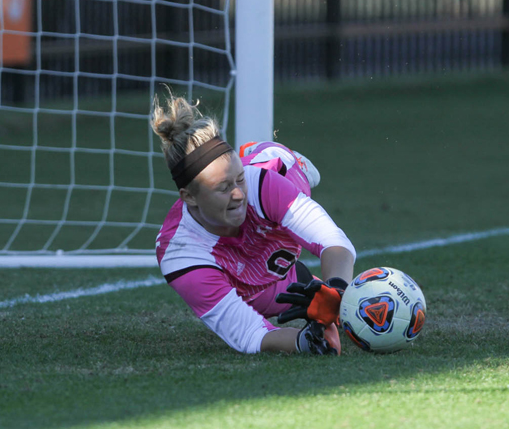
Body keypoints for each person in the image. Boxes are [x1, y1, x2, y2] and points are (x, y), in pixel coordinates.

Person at [151, 93, 357, 354]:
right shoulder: (180, 252)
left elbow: (333, 242)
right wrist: (305, 341)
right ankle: (298, 280)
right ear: (189, 197)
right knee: (253, 298)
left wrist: (336, 289)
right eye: (223, 187)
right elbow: (249, 333)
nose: (238, 194)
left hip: (278, 176)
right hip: (247, 270)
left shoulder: (260, 184)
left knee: (282, 169)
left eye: (239, 180)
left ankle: (269, 155)